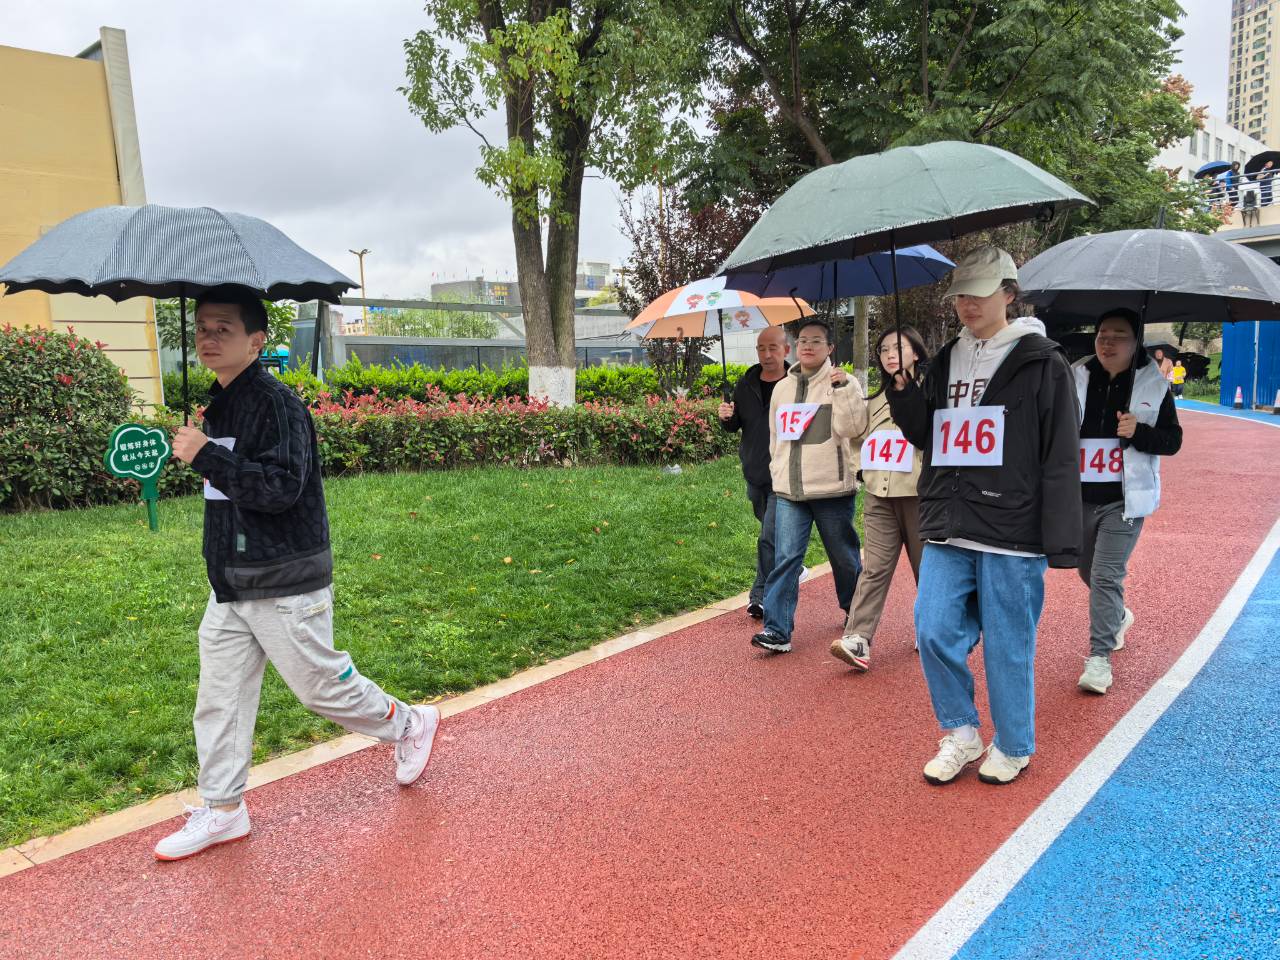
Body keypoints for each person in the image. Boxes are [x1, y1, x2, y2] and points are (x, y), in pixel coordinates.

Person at [158, 285, 439, 861]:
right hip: (232, 583)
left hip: (284, 581)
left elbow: (281, 489)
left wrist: (206, 454)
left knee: (319, 689)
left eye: (224, 329)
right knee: (220, 698)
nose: (209, 338)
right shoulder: (220, 405)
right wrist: (204, 448)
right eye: (203, 327)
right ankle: (223, 808)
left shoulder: (278, 404)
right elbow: (232, 489)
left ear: (257, 341)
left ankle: (406, 722)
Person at [886, 246, 1081, 786]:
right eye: (959, 295)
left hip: (1013, 528)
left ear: (1009, 294)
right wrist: (903, 391)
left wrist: (1061, 538)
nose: (966, 304)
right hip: (951, 516)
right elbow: (929, 435)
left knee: (1007, 642)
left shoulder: (1043, 360)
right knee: (932, 627)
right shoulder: (948, 356)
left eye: (979, 291)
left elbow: (1061, 451)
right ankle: (961, 731)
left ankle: (1014, 744)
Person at [1074, 310, 1183, 695]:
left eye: (1118, 335)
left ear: (1136, 342)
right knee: (1085, 571)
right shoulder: (1077, 375)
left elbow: (1173, 441)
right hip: (1080, 496)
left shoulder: (1154, 385)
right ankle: (1117, 616)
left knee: (1105, 575)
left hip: (1124, 500)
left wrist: (1140, 432)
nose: (1107, 342)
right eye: (1102, 333)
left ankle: (1099, 658)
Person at [751, 317, 868, 654]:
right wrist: (777, 471)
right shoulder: (783, 388)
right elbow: (777, 438)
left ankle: (854, 613)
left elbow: (854, 428)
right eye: (802, 340)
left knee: (844, 558)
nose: (807, 346)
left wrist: (843, 388)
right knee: (785, 559)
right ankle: (777, 630)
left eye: (816, 341)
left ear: (830, 348)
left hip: (832, 490)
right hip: (789, 491)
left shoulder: (843, 383)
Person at [830, 326, 929, 672]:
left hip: (920, 496)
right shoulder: (874, 399)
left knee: (927, 571)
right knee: (873, 569)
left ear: (916, 352)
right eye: (884, 349)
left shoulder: (931, 391)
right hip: (879, 496)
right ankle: (857, 637)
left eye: (898, 348)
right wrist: (842, 390)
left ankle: (931, 629)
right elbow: (849, 430)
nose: (890, 354)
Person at [718, 326, 792, 621]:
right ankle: (790, 565)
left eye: (773, 348)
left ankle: (760, 596)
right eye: (761, 348)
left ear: (786, 350)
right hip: (754, 472)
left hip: (784, 473)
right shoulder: (745, 384)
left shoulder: (797, 383)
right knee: (771, 533)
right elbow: (736, 425)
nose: (767, 354)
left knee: (768, 537)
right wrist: (726, 417)